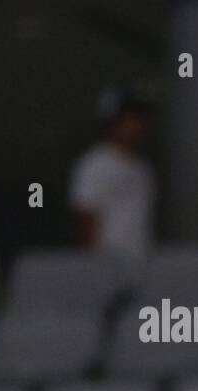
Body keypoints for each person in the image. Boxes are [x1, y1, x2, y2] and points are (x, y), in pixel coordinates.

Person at [69, 85, 156, 269]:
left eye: (140, 118)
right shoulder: (94, 165)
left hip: (139, 266)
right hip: (107, 268)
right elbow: (86, 220)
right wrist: (94, 268)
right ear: (112, 122)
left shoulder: (143, 169)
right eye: (130, 118)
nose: (137, 125)